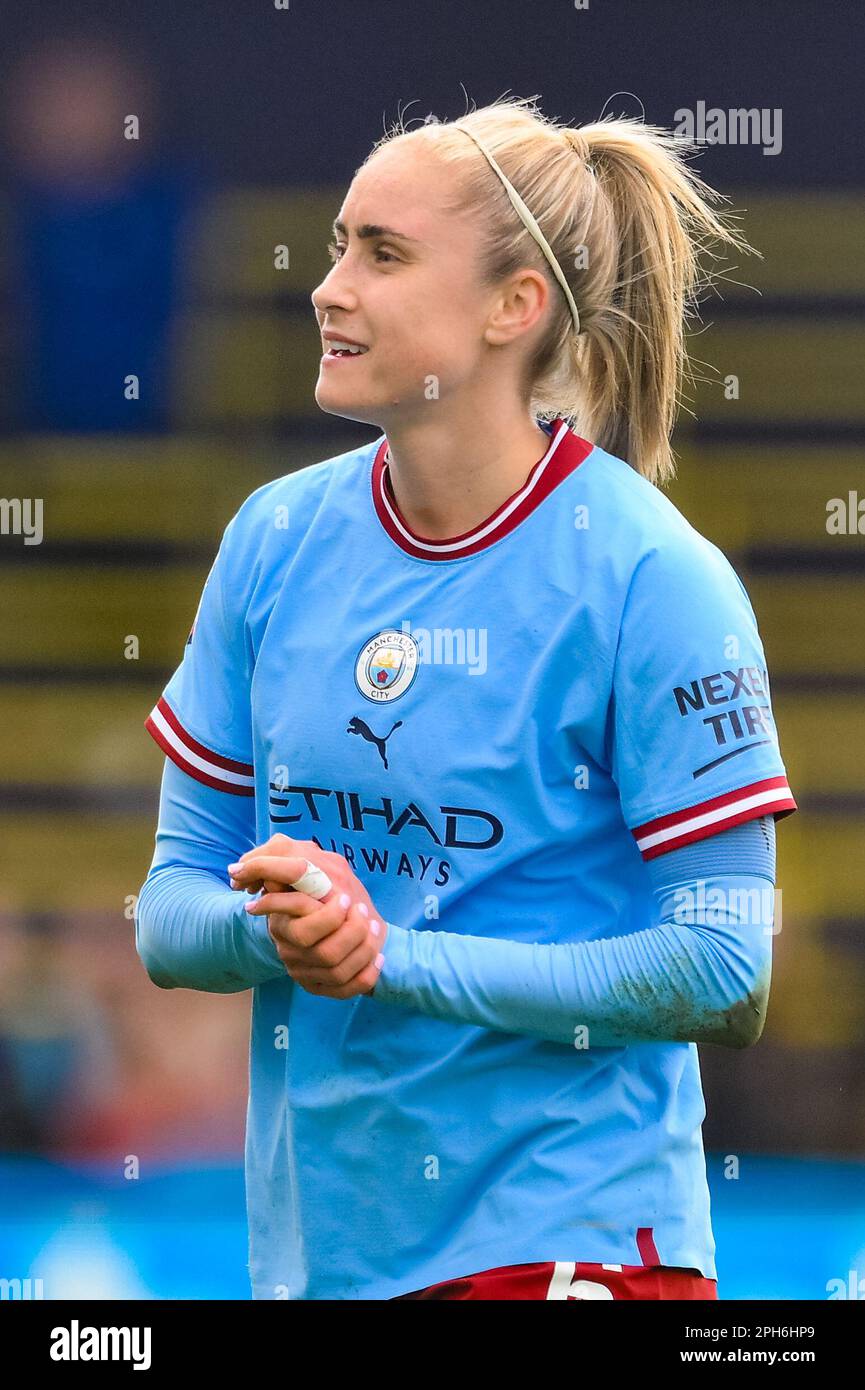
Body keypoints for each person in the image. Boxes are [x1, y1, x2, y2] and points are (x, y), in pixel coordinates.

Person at [136, 96, 797, 1301]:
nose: (330, 287)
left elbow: (723, 968)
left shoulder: (651, 575)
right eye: (339, 244)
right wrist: (277, 932)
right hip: (323, 1258)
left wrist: (393, 959)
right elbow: (169, 907)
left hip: (574, 1241)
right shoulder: (274, 540)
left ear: (514, 307)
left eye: (382, 254)